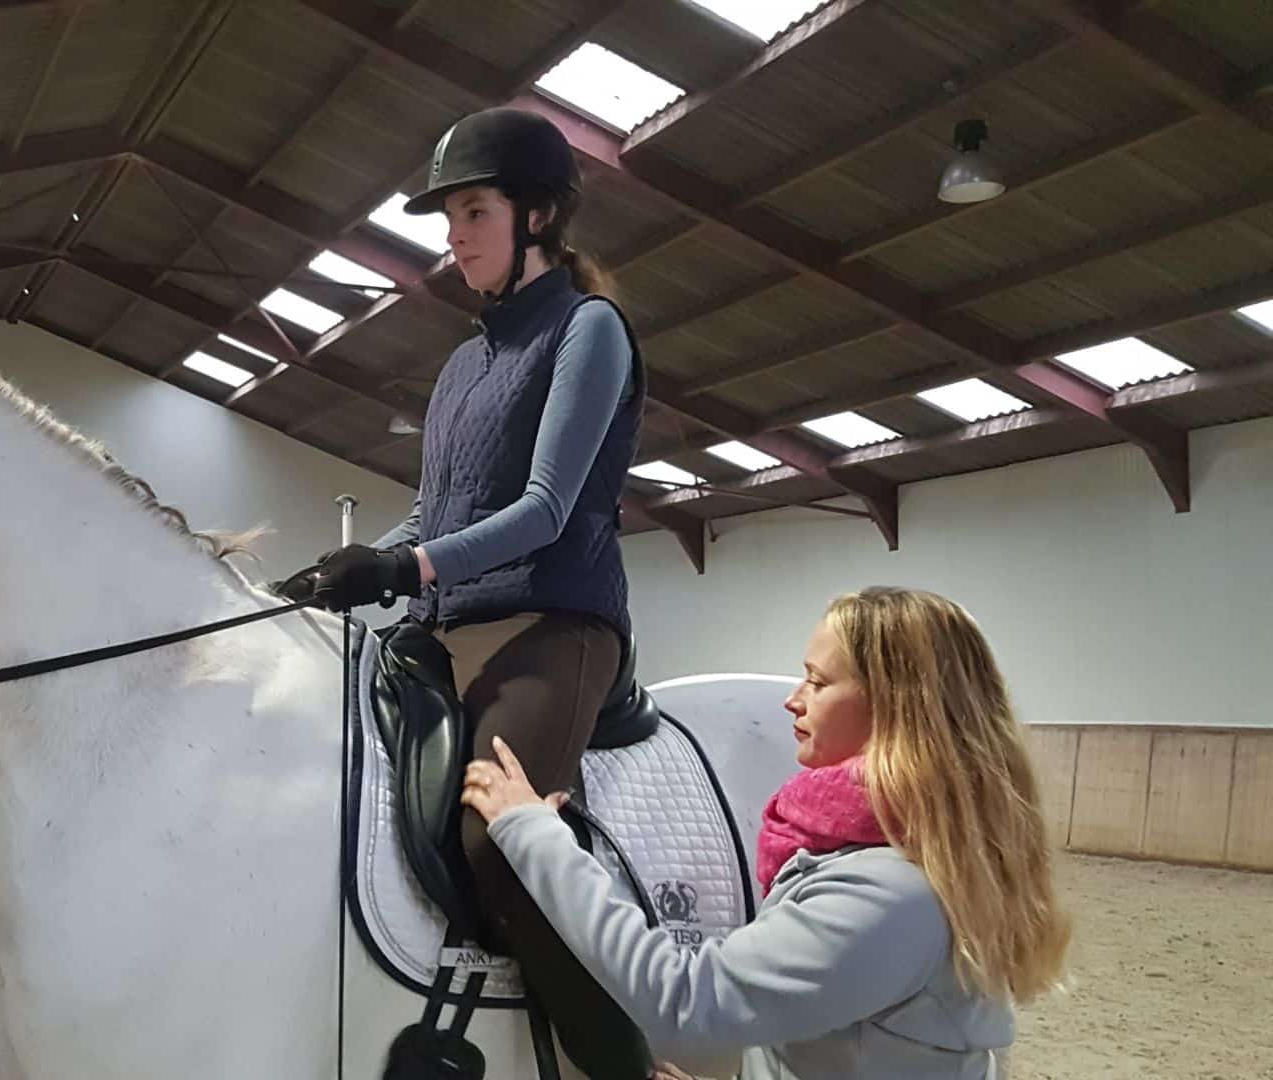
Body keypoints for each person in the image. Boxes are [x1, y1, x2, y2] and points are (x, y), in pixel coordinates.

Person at [278, 106, 653, 1076]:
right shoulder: (462, 360)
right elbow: (432, 508)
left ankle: (626, 1061)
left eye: (473, 212)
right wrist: (344, 568)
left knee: (498, 845)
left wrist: (406, 568)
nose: (454, 237)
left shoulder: (589, 330)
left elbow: (545, 509)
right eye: (449, 217)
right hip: (445, 627)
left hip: (551, 620)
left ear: (536, 216)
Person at [462, 587, 1074, 1078]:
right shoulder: (915, 862)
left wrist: (534, 831)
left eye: (818, 681)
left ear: (894, 707)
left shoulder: (893, 896)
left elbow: (683, 1003)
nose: (793, 699)